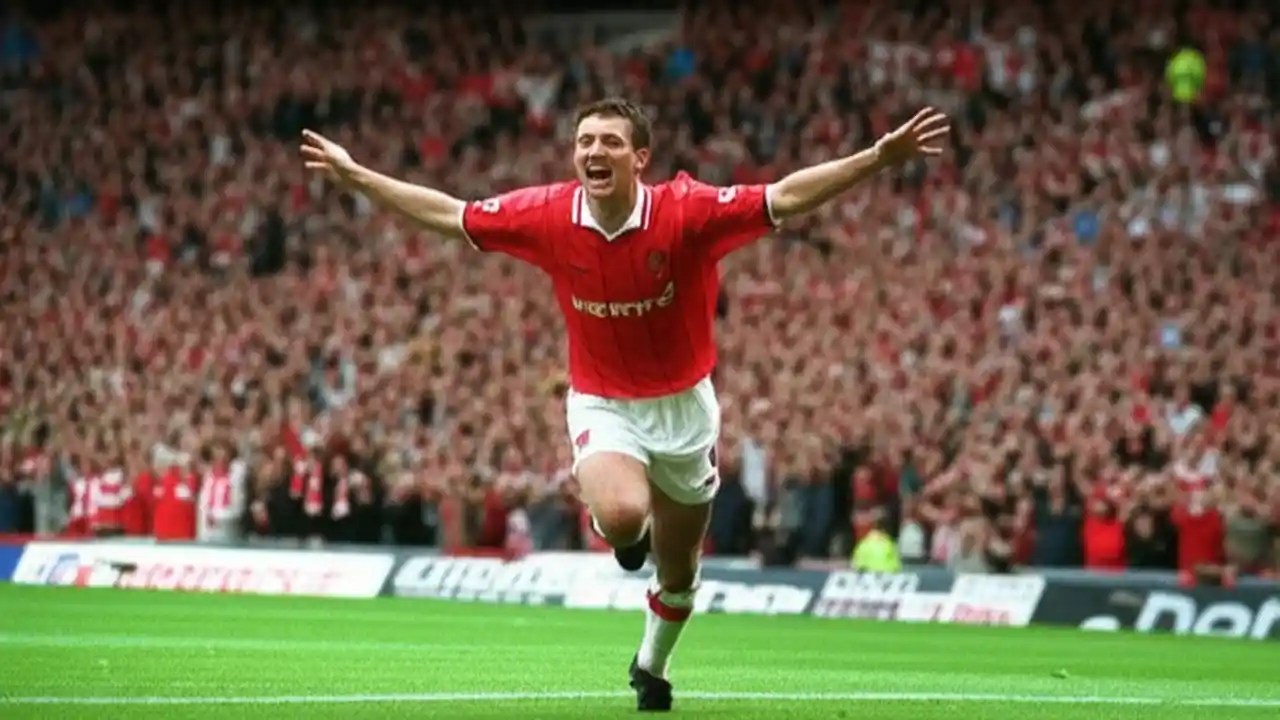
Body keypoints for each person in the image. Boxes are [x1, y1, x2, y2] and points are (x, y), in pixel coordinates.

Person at [300, 97, 948, 712]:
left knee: (681, 575)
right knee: (620, 512)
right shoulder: (549, 216)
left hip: (686, 413)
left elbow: (785, 196)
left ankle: (651, 666)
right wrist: (357, 176)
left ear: (640, 157)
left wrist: (876, 157)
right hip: (603, 403)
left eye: (610, 140)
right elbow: (451, 214)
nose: (594, 150)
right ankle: (624, 532)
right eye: (584, 141)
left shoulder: (687, 212)